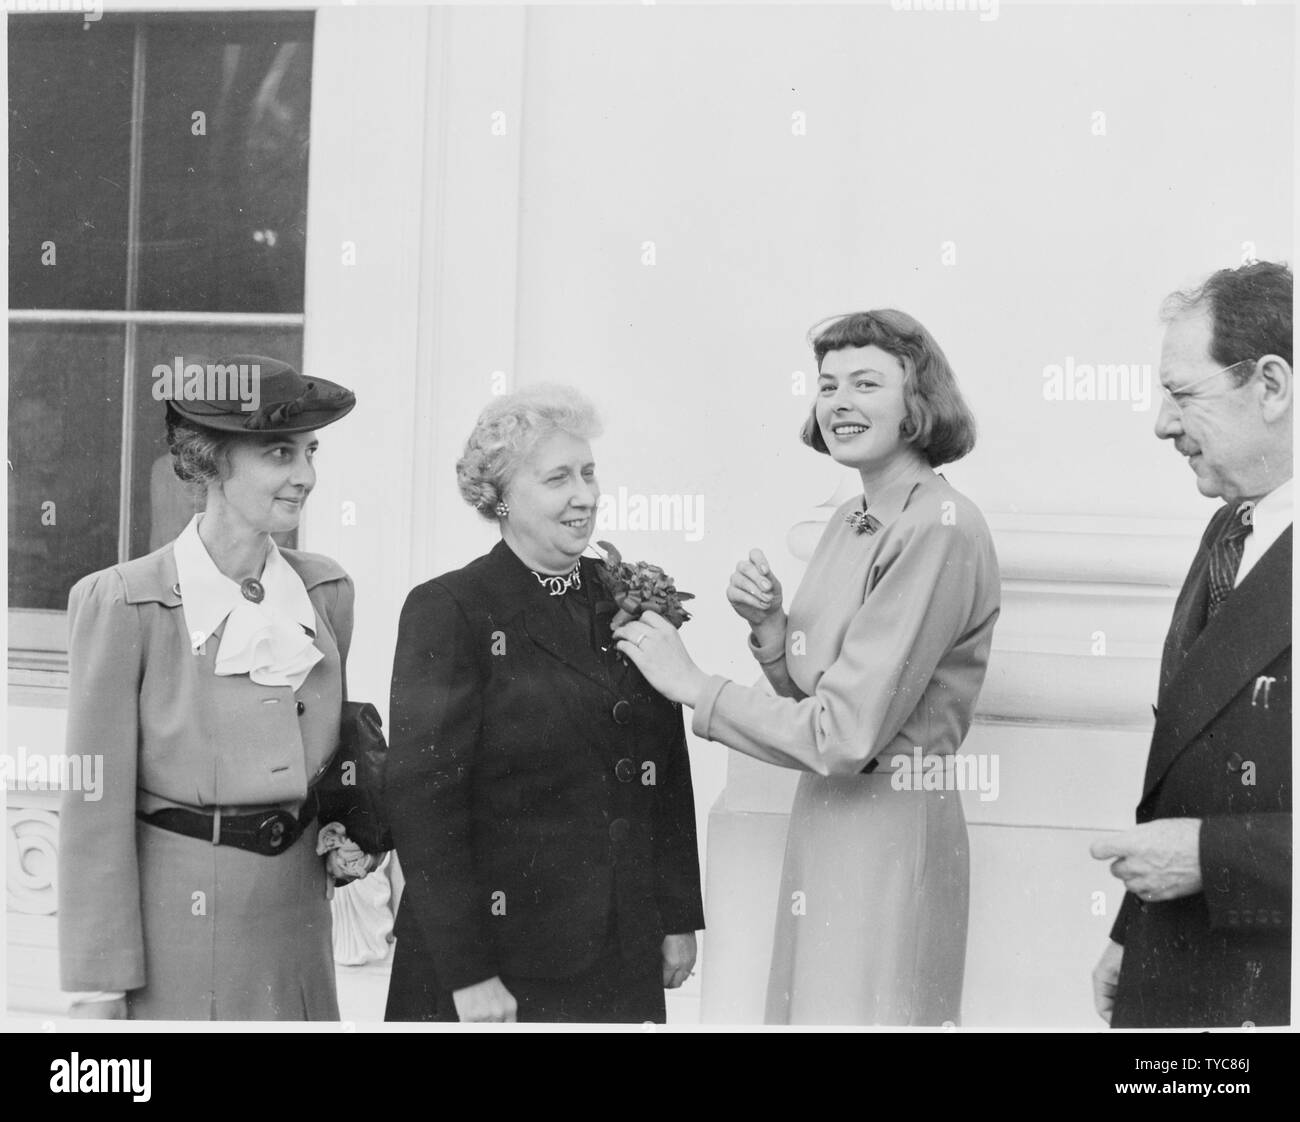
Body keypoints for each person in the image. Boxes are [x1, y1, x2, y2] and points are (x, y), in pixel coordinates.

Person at [616, 310, 1000, 1025]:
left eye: (866, 383)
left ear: (919, 403)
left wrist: (697, 686)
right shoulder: (851, 519)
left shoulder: (938, 528)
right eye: (827, 386)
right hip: (829, 815)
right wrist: (770, 630)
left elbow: (843, 733)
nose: (839, 403)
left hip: (889, 828)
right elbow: (815, 700)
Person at [57, 356, 376, 1020]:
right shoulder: (122, 604)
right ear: (209, 463)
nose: (307, 477)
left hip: (296, 929)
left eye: (310, 452)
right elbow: (95, 810)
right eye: (280, 454)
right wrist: (99, 985)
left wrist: (357, 831)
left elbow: (331, 756)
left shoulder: (326, 593)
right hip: (177, 932)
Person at [384, 385, 705, 1024]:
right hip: (498, 964)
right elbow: (424, 804)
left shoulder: (623, 600)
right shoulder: (452, 608)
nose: (584, 495)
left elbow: (663, 770)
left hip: (619, 953)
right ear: (500, 496)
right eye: (558, 478)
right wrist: (467, 972)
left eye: (589, 474)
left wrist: (675, 916)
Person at [1091, 261, 1292, 1028]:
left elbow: (1203, 833)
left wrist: (1211, 859)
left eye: (1181, 394)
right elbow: (1189, 765)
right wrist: (1130, 934)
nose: (1162, 423)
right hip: (1179, 973)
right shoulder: (1231, 529)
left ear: (1271, 385)